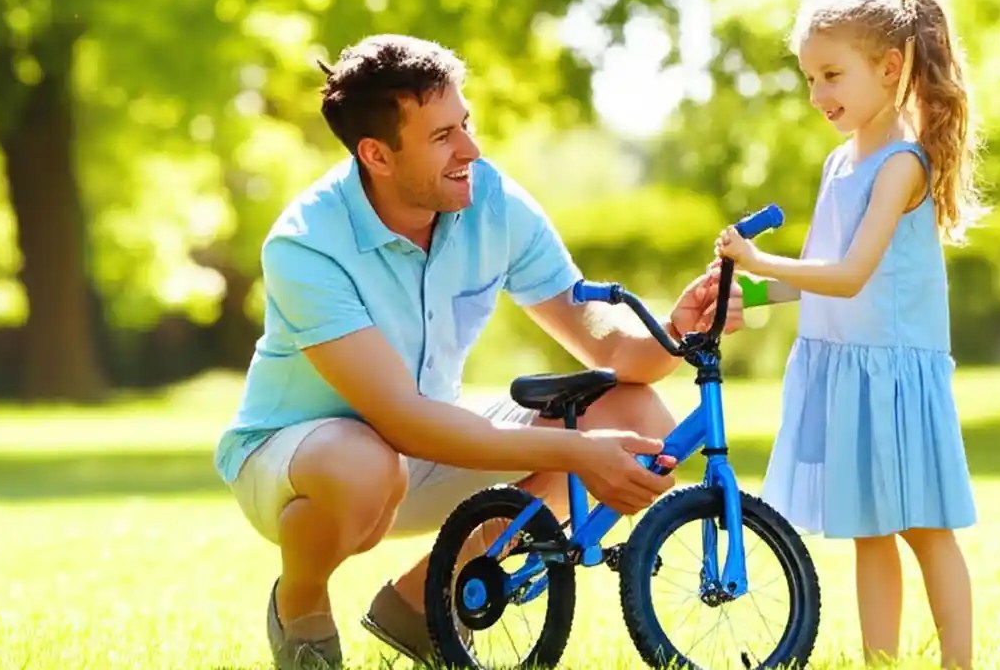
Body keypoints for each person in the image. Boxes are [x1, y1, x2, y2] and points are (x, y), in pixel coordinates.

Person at [212, 33, 744, 670]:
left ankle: (419, 604)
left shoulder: (489, 200)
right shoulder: (306, 245)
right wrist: (575, 452)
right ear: (377, 155)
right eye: (442, 137)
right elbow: (400, 419)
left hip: (428, 445)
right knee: (364, 464)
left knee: (638, 417)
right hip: (299, 460)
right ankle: (299, 600)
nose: (471, 149)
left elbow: (605, 342)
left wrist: (675, 328)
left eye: (464, 123)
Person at [716, 0, 981, 670]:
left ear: (889, 67)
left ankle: (961, 662)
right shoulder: (839, 164)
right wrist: (754, 296)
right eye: (809, 78)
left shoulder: (901, 166)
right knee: (869, 530)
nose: (817, 95)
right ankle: (881, 661)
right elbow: (819, 277)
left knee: (925, 529)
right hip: (849, 369)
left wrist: (761, 261)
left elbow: (853, 275)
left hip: (892, 369)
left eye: (831, 74)